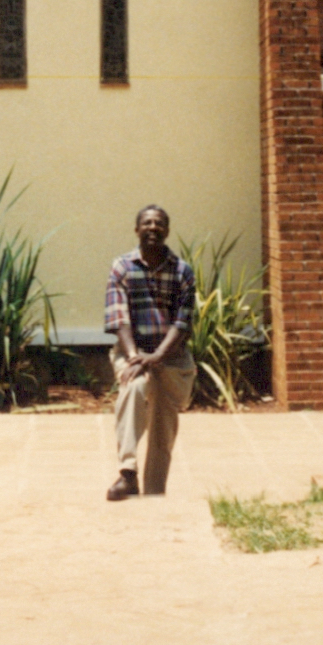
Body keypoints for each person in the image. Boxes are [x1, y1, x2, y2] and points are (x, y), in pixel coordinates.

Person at [102, 204, 197, 501]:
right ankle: (128, 473)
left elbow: (182, 323)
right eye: (147, 223)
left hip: (171, 358)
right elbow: (118, 319)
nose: (153, 228)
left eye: (159, 224)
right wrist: (135, 357)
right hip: (133, 352)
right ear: (137, 229)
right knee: (134, 386)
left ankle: (155, 492)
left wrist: (157, 357)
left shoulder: (182, 271)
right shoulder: (122, 268)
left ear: (167, 231)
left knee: (163, 428)